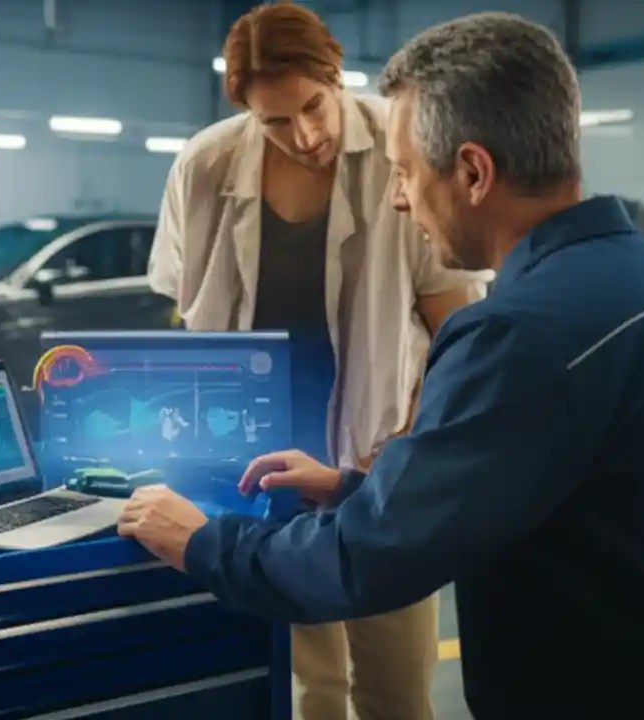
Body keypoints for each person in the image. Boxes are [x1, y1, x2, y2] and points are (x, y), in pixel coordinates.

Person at [123, 11, 644, 719]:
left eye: (404, 173)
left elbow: (374, 555)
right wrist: (350, 489)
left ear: (472, 171)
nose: (400, 197)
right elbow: (535, 492)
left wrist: (203, 544)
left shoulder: (516, 336)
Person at [144, 4, 486, 718]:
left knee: (395, 681)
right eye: (273, 121)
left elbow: (457, 330)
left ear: (335, 77)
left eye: (312, 106)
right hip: (263, 468)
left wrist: (412, 440)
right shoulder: (205, 167)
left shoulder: (405, 152)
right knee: (307, 686)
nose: (304, 136)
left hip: (376, 459)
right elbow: (184, 318)